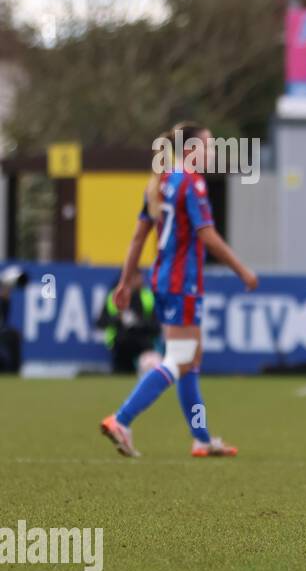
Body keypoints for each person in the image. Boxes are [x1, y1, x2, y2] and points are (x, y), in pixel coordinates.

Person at [99, 122, 258, 458]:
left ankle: (201, 439)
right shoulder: (191, 182)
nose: (212, 153)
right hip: (182, 282)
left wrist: (126, 282)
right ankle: (122, 420)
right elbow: (207, 235)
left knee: (191, 359)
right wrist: (243, 270)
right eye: (209, 146)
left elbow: (138, 237)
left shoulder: (160, 182)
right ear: (189, 151)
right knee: (180, 358)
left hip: (163, 278)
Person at [96, 265, 161, 374]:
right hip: (120, 342)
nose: (140, 280)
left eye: (139, 276)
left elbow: (156, 327)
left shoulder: (147, 296)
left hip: (143, 342)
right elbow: (101, 322)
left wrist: (138, 323)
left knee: (150, 361)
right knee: (121, 358)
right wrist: (118, 319)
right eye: (135, 277)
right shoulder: (114, 296)